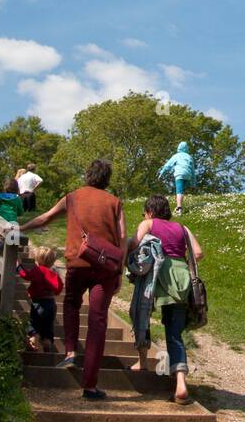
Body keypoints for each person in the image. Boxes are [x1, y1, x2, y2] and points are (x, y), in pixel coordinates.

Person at [19, 159, 126, 401]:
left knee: (71, 304)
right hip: (106, 267)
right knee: (98, 322)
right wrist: (119, 270)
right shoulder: (115, 202)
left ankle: (69, 353)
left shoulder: (72, 197)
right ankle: (90, 385)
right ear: (107, 179)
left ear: (87, 174)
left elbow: (45, 218)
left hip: (78, 262)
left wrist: (20, 227)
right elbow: (121, 237)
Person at [128, 193, 204, 404]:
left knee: (140, 315)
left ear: (150, 211)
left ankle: (142, 361)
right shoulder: (182, 228)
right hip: (181, 279)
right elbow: (198, 253)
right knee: (174, 332)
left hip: (155, 274)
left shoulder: (149, 223)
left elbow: (134, 244)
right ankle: (180, 384)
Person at [18, 248, 63, 352]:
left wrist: (19, 266)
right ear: (52, 262)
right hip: (51, 304)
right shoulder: (54, 275)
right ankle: (47, 342)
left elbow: (25, 275)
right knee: (48, 327)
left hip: (38, 303)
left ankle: (33, 340)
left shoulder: (38, 270)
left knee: (34, 325)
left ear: (38, 261)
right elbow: (59, 289)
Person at [157, 141, 196, 217]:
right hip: (188, 175)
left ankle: (179, 208)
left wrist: (161, 173)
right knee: (181, 191)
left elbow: (167, 165)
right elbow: (193, 171)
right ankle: (179, 205)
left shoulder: (176, 156)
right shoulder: (189, 157)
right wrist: (193, 182)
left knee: (179, 191)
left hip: (179, 174)